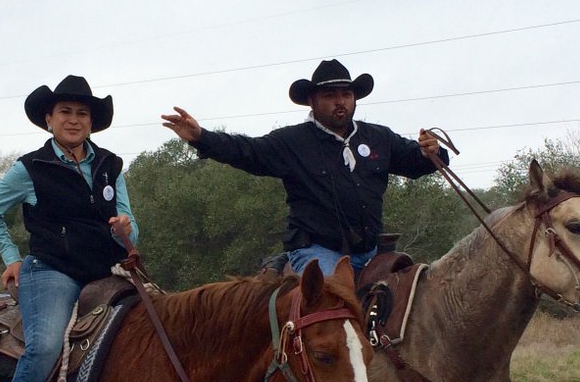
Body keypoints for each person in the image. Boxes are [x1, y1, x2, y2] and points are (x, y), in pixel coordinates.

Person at [0, 75, 138, 382]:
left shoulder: (110, 164)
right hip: (51, 270)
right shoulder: (30, 168)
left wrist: (125, 229)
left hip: (105, 270)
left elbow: (130, 227)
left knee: (159, 329)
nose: (74, 119)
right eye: (65, 112)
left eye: (82, 113)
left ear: (92, 122)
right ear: (49, 119)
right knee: (46, 346)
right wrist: (11, 256)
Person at [162, 59, 448, 276]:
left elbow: (416, 162)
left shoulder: (378, 138)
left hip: (372, 252)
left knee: (411, 304)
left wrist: (432, 153)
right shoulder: (292, 142)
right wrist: (202, 137)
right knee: (330, 313)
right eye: (330, 95)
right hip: (319, 252)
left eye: (346, 94)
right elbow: (247, 151)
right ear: (312, 100)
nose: (340, 102)